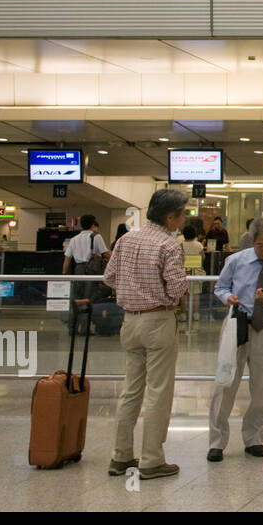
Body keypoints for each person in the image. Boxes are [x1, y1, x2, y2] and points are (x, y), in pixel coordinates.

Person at [103, 188, 189, 481]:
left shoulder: (126, 239)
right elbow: (177, 288)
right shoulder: (168, 245)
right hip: (158, 320)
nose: (184, 218)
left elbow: (109, 277)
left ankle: (120, 455)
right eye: (182, 213)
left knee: (131, 390)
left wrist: (132, 289)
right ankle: (152, 460)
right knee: (158, 391)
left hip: (130, 321)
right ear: (170, 216)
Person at [207, 218, 263, 461]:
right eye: (260, 245)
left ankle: (254, 438)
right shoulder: (236, 260)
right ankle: (217, 441)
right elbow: (220, 287)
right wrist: (228, 298)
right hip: (236, 324)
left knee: (261, 386)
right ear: (252, 240)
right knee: (225, 383)